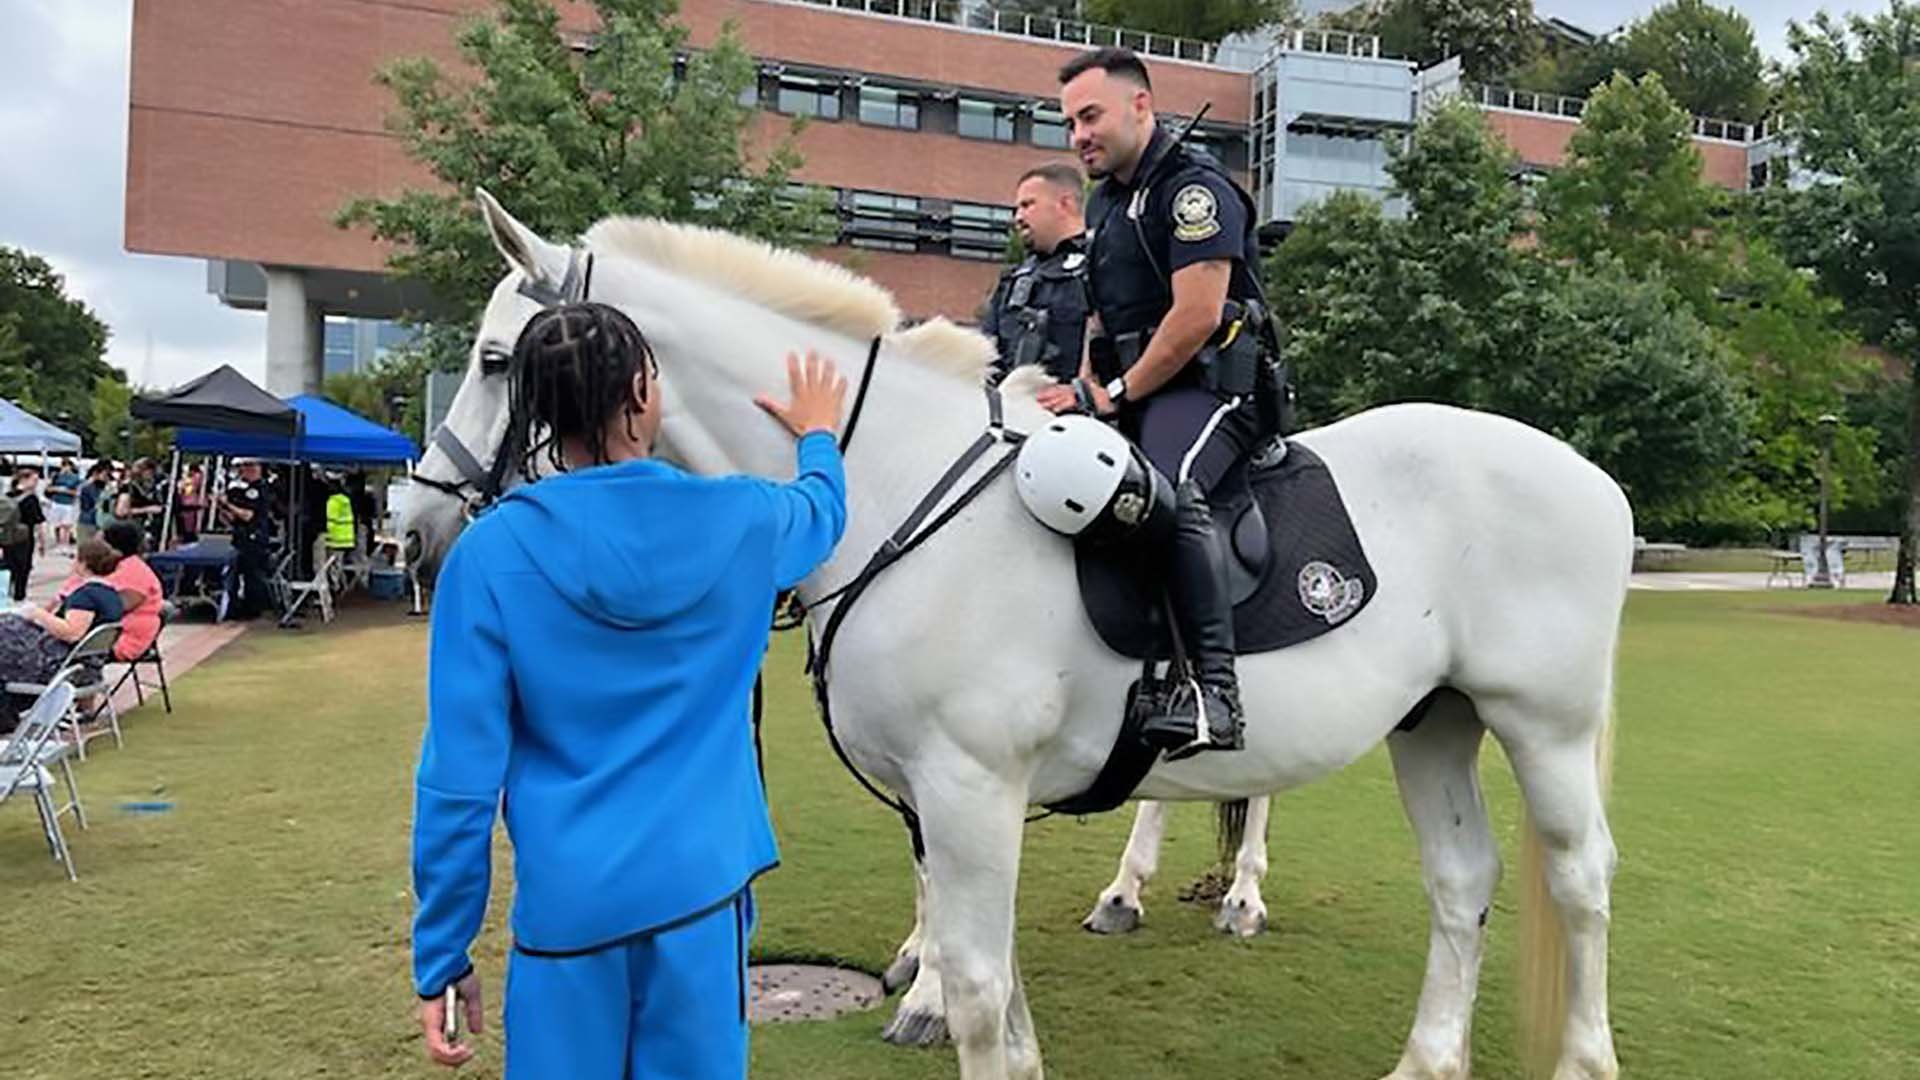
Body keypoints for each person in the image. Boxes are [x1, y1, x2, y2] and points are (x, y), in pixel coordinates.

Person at [411, 302, 848, 1078]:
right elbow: (822, 513)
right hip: (701, 893)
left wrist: (443, 952)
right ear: (643, 395)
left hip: (567, 914)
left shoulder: (488, 557)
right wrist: (817, 434)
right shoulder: (744, 517)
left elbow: (458, 782)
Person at [1038, 48, 1281, 759]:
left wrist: (1114, 393)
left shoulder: (1193, 188)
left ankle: (1215, 695)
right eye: (1069, 123)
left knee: (1169, 493)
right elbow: (1098, 321)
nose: (1078, 135)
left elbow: (1197, 317)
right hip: (1137, 392)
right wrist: (1083, 393)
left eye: (1090, 116)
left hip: (1215, 390)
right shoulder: (1105, 198)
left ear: (1140, 106)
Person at [981, 162, 1091, 385]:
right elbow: (987, 356)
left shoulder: (1103, 264)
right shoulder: (1013, 281)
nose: (1018, 217)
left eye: (1027, 205)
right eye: (1016, 209)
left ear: (1065, 204)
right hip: (1015, 411)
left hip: (1084, 413)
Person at [0, 537, 125, 729]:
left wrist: (38, 614)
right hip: (85, 664)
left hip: (61, 666)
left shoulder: (86, 596)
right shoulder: (111, 595)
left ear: (83, 564)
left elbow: (72, 632)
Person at [54, 523, 164, 665]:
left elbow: (107, 610)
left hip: (115, 641)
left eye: (100, 540)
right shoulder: (106, 569)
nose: (95, 543)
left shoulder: (135, 573)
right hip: (96, 636)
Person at [218, 459, 275, 619]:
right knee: (238, 572)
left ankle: (253, 608)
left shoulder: (258, 489)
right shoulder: (245, 490)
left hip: (254, 537)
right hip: (241, 536)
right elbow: (234, 518)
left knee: (253, 574)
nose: (242, 471)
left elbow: (248, 515)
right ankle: (236, 606)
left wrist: (228, 505)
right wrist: (222, 508)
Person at [3, 468, 47, 603]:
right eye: (34, 480)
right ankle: (19, 598)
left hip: (6, 539)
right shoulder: (31, 498)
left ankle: (6, 596)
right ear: (24, 480)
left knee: (8, 569)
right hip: (24, 539)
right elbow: (39, 523)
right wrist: (42, 542)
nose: (36, 483)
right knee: (23, 570)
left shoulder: (6, 496)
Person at [115, 458, 165, 547]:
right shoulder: (128, 488)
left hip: (149, 530)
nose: (151, 475)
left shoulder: (152, 488)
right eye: (148, 471)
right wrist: (147, 509)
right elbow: (120, 511)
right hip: (133, 529)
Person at [45, 457, 80, 549]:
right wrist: (57, 489)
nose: (65, 468)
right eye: (63, 466)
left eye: (67, 466)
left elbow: (76, 492)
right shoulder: (56, 476)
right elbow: (48, 489)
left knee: (66, 525)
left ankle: (66, 544)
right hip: (56, 502)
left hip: (68, 504)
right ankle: (59, 543)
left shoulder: (75, 478)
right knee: (57, 525)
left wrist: (64, 490)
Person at [76, 461, 110, 545]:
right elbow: (87, 506)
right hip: (88, 522)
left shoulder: (107, 489)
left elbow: (106, 508)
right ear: (95, 474)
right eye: (104, 475)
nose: (106, 478)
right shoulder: (87, 488)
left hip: (101, 523)